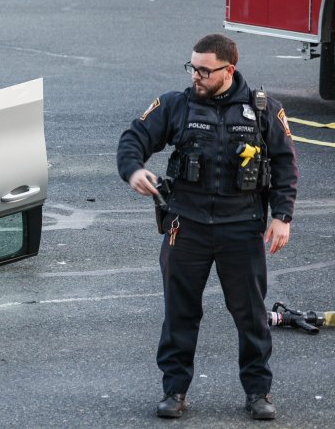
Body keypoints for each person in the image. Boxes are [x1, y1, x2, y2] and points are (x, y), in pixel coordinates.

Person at [117, 33, 297, 421]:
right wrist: (133, 170)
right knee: (179, 313)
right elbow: (134, 138)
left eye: (204, 70)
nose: (195, 76)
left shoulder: (263, 110)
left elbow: (285, 164)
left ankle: (258, 392)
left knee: (251, 316)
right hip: (187, 226)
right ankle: (174, 391)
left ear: (229, 70)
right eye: (192, 68)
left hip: (242, 228)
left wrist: (282, 216)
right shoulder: (176, 105)